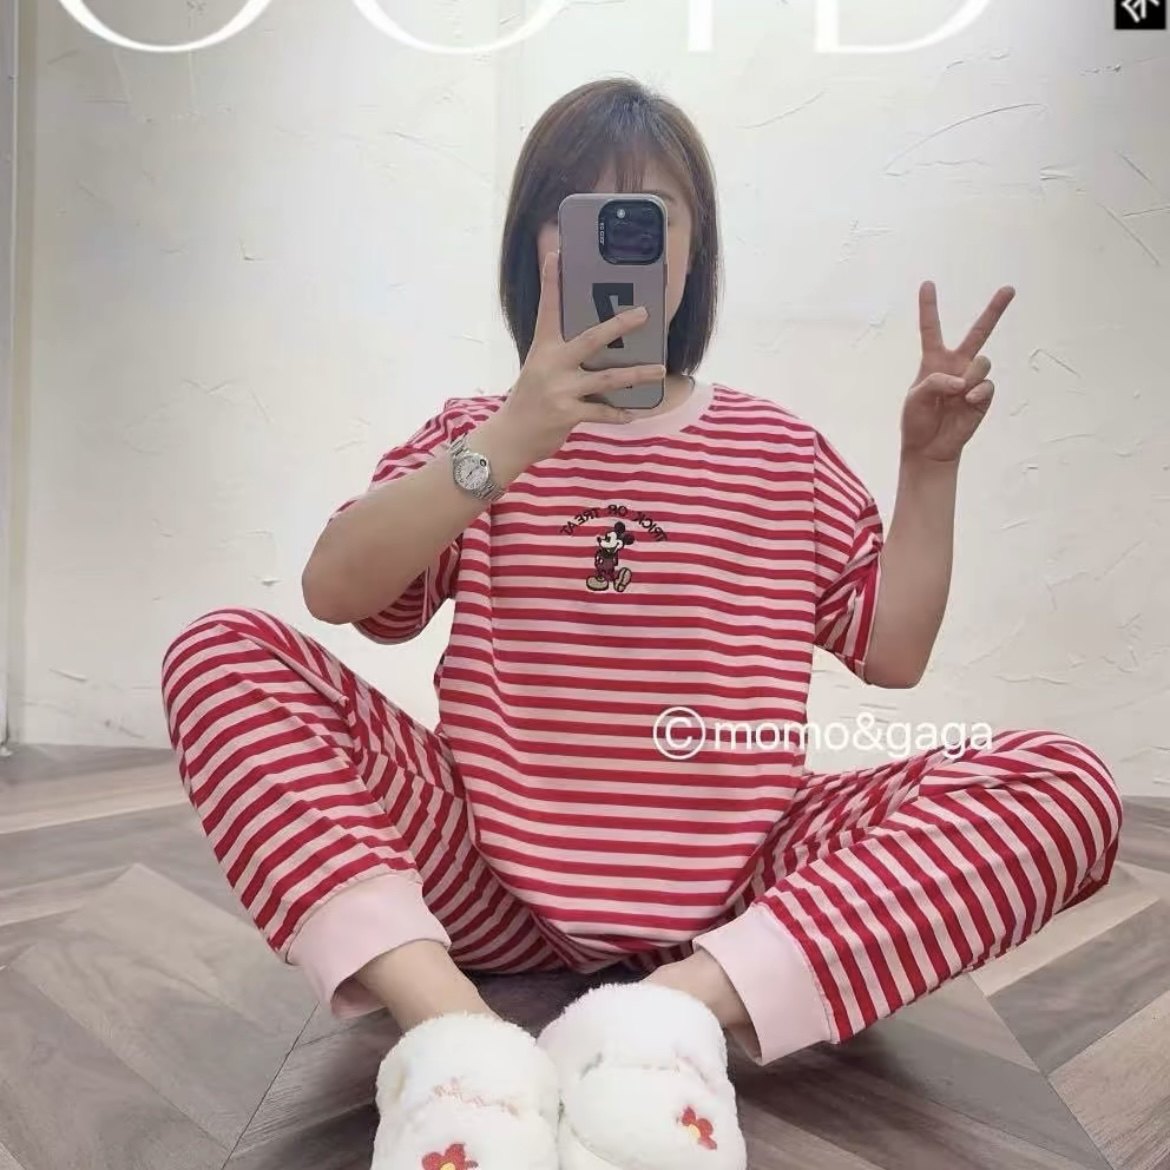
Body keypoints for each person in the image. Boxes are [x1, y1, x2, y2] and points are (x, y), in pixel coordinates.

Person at [161, 78, 1122, 1170]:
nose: (619, 245)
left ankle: (668, 1016)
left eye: (650, 218)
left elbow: (892, 653)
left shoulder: (779, 453)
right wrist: (510, 442)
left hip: (739, 885)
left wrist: (929, 465)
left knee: (1065, 785)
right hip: (482, 876)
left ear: (693, 255)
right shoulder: (474, 438)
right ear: (535, 249)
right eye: (580, 215)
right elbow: (338, 592)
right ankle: (455, 1031)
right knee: (220, 653)